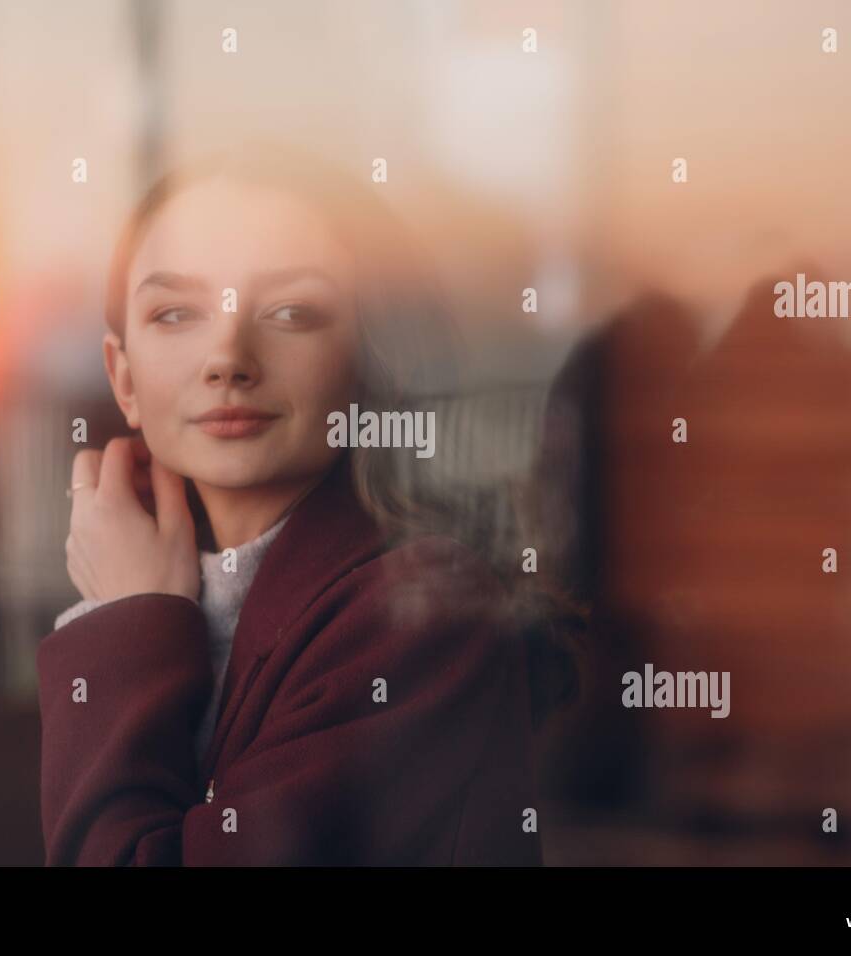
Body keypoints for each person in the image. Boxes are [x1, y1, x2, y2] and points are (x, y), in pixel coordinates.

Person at [36, 139, 546, 865]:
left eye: (291, 312)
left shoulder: (426, 616)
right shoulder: (176, 584)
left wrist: (129, 621)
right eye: (176, 314)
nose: (228, 359)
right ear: (123, 379)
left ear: (371, 357)